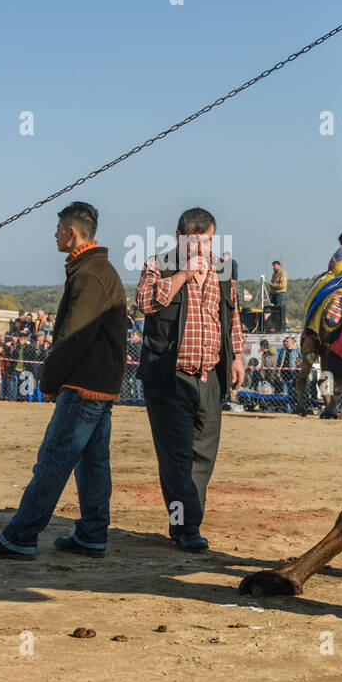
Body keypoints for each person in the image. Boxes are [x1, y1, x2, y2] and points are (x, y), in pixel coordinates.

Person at [0, 202, 130, 560]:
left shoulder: (90, 274)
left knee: (53, 460)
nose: (54, 235)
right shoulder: (97, 269)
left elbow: (73, 336)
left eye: (58, 229)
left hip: (83, 385)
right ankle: (92, 534)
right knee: (92, 463)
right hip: (99, 386)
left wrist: (49, 380)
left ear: (71, 233)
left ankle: (21, 536)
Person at [136, 207, 245, 552]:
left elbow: (231, 315)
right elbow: (144, 302)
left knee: (203, 456)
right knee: (176, 458)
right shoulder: (159, 264)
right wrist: (182, 275)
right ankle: (186, 526)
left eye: (208, 240)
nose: (202, 247)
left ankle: (188, 521)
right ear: (180, 237)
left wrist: (238, 357)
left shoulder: (223, 269)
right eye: (196, 240)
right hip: (170, 377)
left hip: (210, 376)